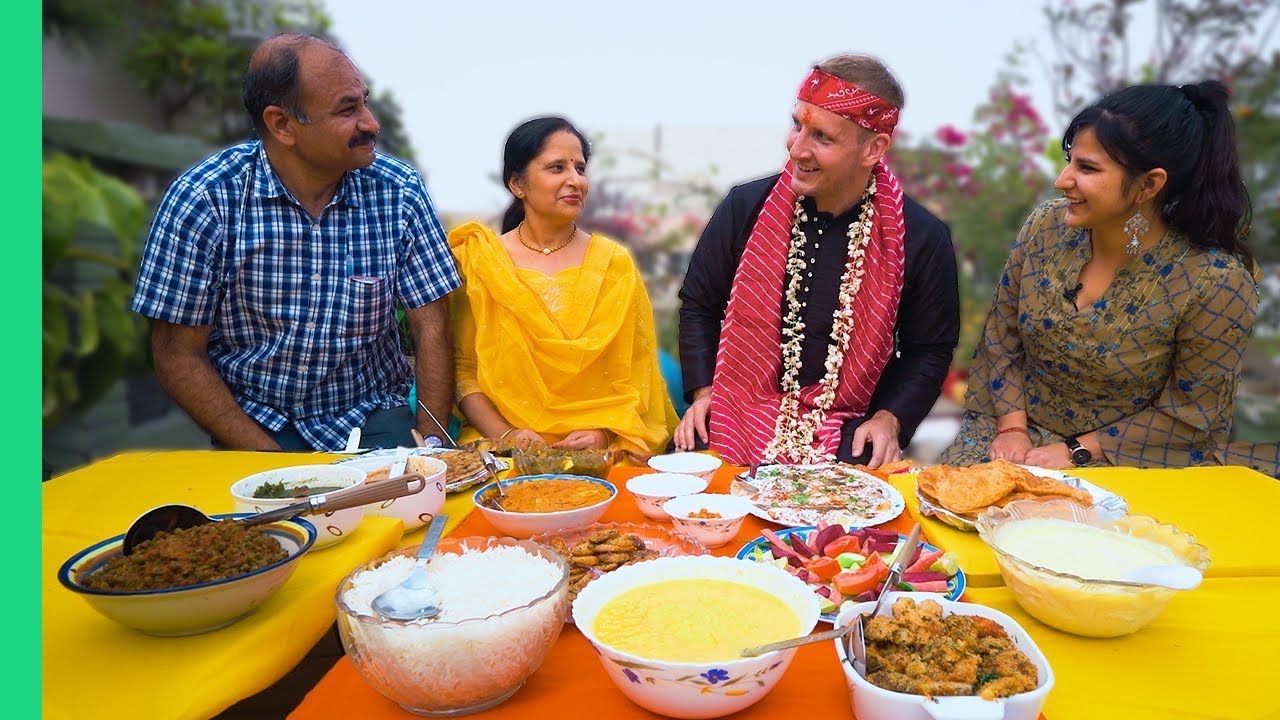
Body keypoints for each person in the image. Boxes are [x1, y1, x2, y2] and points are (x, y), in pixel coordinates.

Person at [131, 33, 459, 452]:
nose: (371, 123)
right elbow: (176, 354)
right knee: (266, 515)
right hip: (255, 419)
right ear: (282, 124)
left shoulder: (399, 191)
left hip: (371, 410)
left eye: (364, 101)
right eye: (348, 109)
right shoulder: (205, 199)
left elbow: (431, 326)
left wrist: (431, 447)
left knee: (412, 504)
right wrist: (271, 463)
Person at [942, 81, 1277, 477]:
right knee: (949, 509)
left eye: (1087, 168)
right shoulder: (1046, 228)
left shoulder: (1215, 283)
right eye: (1070, 160)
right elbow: (1001, 338)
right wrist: (1012, 427)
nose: (1062, 179)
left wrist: (1077, 451)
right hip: (1011, 436)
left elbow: (1189, 414)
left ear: (1149, 185)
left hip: (1129, 458)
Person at [675, 55, 960, 468]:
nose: (797, 147)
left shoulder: (919, 236)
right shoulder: (745, 207)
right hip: (735, 407)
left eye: (822, 137)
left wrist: (888, 420)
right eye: (797, 125)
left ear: (873, 148)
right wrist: (704, 394)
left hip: (848, 424)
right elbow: (700, 306)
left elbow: (929, 348)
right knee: (689, 487)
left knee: (860, 505)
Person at [448, 117, 678, 456]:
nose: (575, 181)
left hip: (600, 451)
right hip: (503, 448)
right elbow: (465, 372)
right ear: (517, 184)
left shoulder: (613, 263)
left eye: (580, 168)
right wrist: (508, 435)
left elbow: (636, 374)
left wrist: (602, 434)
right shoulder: (482, 261)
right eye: (557, 168)